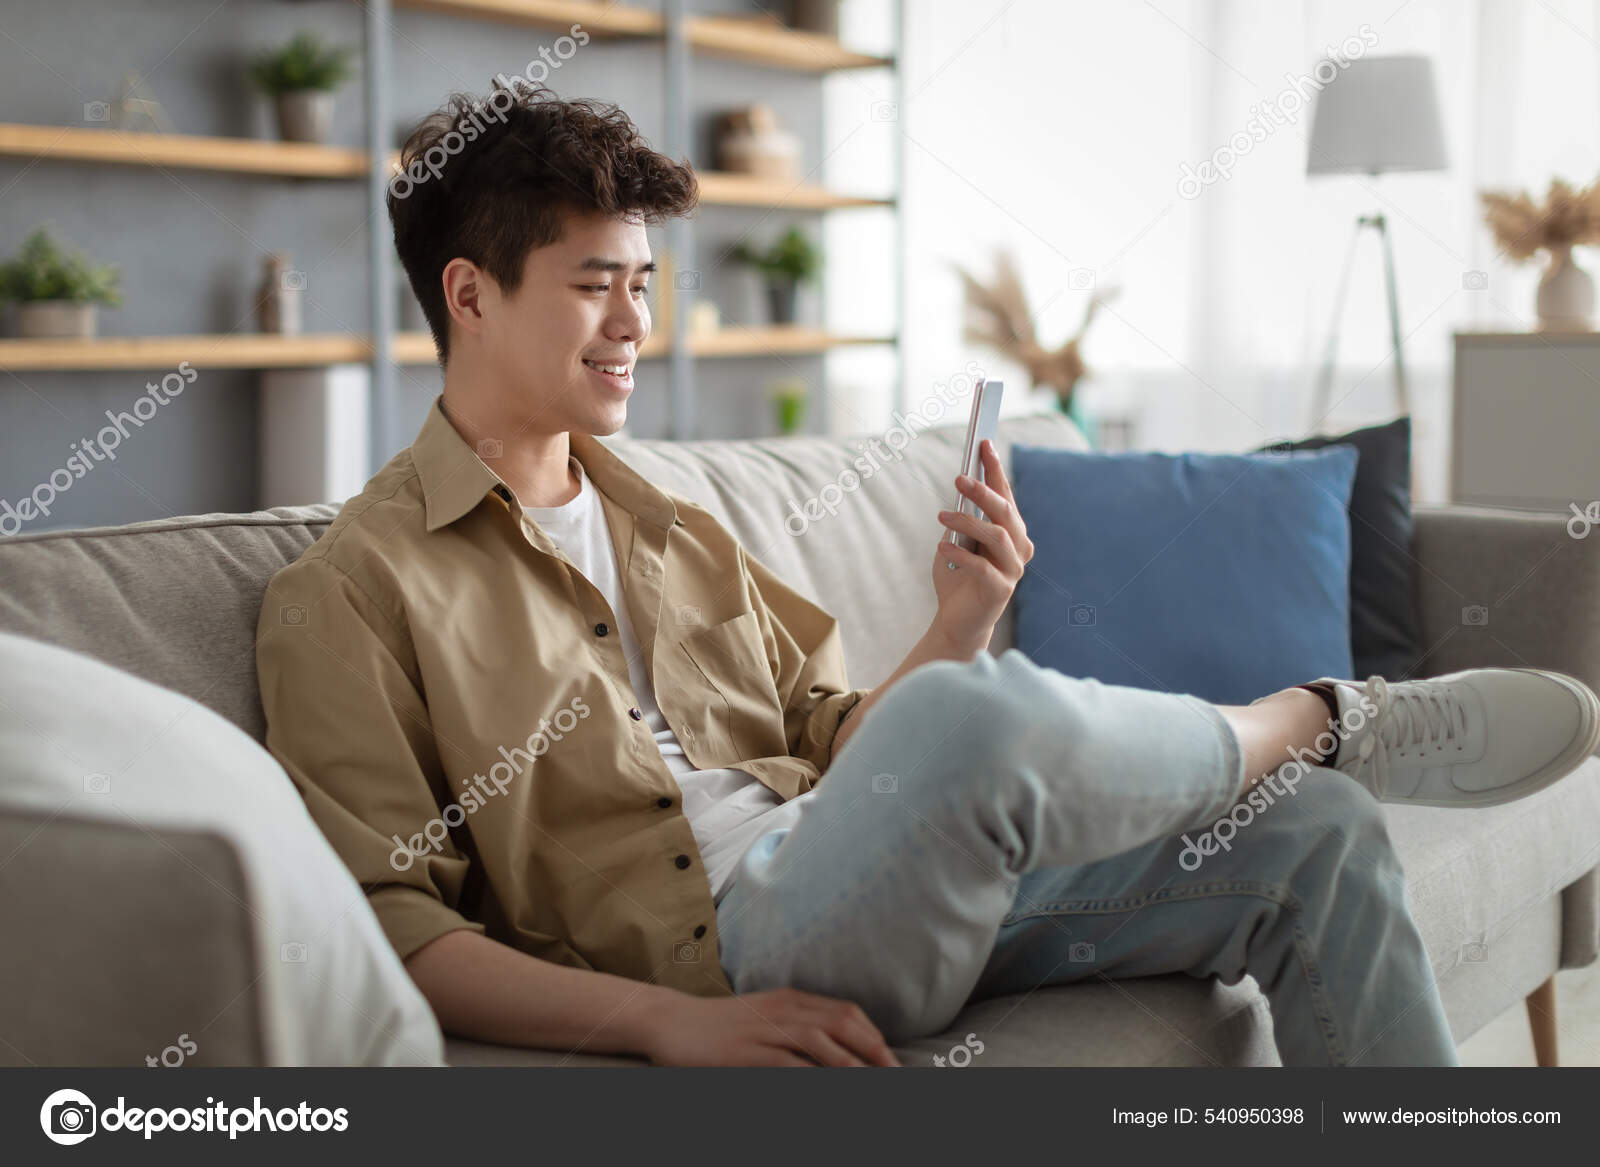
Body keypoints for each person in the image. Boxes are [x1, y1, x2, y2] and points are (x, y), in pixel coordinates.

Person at [255, 84, 1600, 1068]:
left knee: (1319, 840)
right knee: (975, 716)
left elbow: (853, 747)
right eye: (596, 284)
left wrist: (959, 621)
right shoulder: (354, 590)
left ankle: (1324, 774)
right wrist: (672, 1023)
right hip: (728, 942)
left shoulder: (670, 524)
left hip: (873, 874)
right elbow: (394, 924)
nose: (635, 326)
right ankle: (1321, 719)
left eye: (648, 284)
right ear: (470, 295)